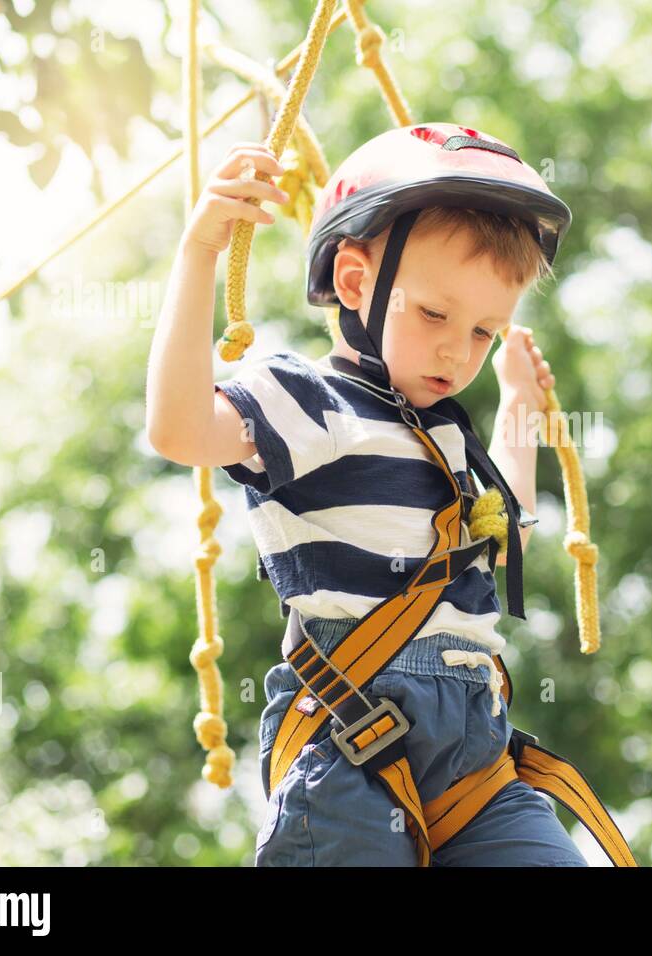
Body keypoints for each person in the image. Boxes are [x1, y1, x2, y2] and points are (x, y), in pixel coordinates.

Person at [146, 122, 588, 866]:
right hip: (352, 739)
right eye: (436, 314)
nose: (458, 349)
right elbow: (180, 429)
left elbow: (503, 539)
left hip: (474, 752)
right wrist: (199, 256)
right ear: (356, 284)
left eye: (485, 331)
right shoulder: (309, 400)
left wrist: (517, 409)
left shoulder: (447, 440)